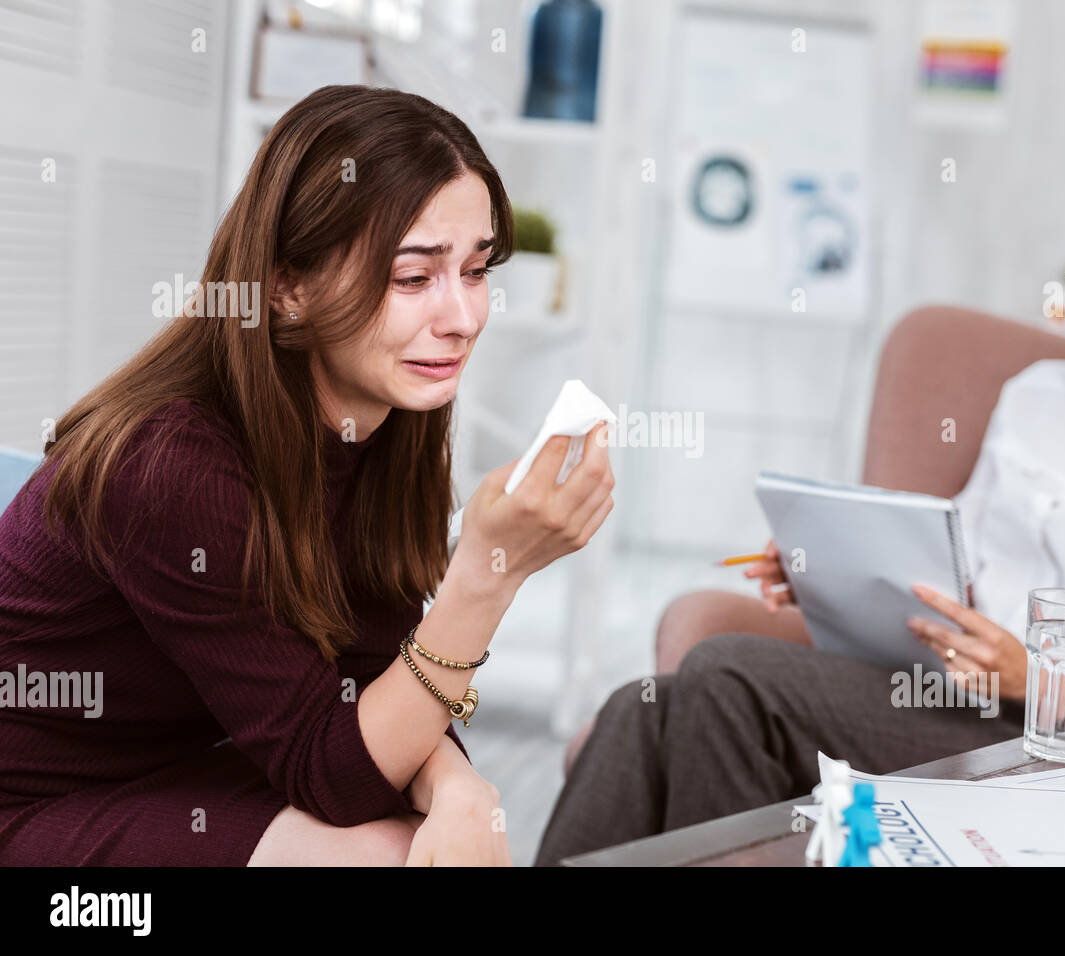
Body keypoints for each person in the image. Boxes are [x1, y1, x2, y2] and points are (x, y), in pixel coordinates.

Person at [535, 156, 1065, 865]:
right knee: (642, 711)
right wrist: (833, 570)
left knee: (724, 671)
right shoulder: (1040, 390)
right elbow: (950, 562)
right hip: (932, 691)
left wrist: (1036, 677)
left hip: (1063, 746)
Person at [0, 85, 614, 866]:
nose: (462, 317)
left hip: (188, 767)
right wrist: (487, 578)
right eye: (413, 278)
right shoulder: (171, 466)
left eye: (477, 268)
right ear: (288, 287)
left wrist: (461, 789)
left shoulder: (381, 417)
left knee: (436, 841)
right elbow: (332, 771)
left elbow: (375, 678)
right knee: (387, 856)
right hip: (34, 807)